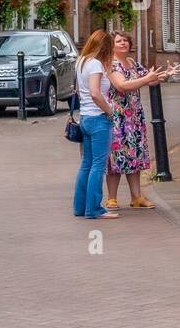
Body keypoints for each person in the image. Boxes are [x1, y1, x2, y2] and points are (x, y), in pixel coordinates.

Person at [105, 32, 173, 209]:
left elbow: (149, 79)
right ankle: (112, 197)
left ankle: (136, 197)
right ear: (111, 45)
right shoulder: (111, 64)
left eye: (126, 41)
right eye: (118, 41)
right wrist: (146, 79)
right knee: (116, 157)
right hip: (118, 117)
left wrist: (165, 75)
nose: (123, 43)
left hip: (134, 116)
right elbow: (122, 86)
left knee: (134, 157)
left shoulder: (132, 63)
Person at [73, 31, 119, 220]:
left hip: (85, 118)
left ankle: (80, 207)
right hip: (99, 119)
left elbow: (79, 91)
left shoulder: (81, 61)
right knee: (99, 166)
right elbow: (95, 93)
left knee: (86, 164)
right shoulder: (95, 64)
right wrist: (109, 111)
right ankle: (94, 209)